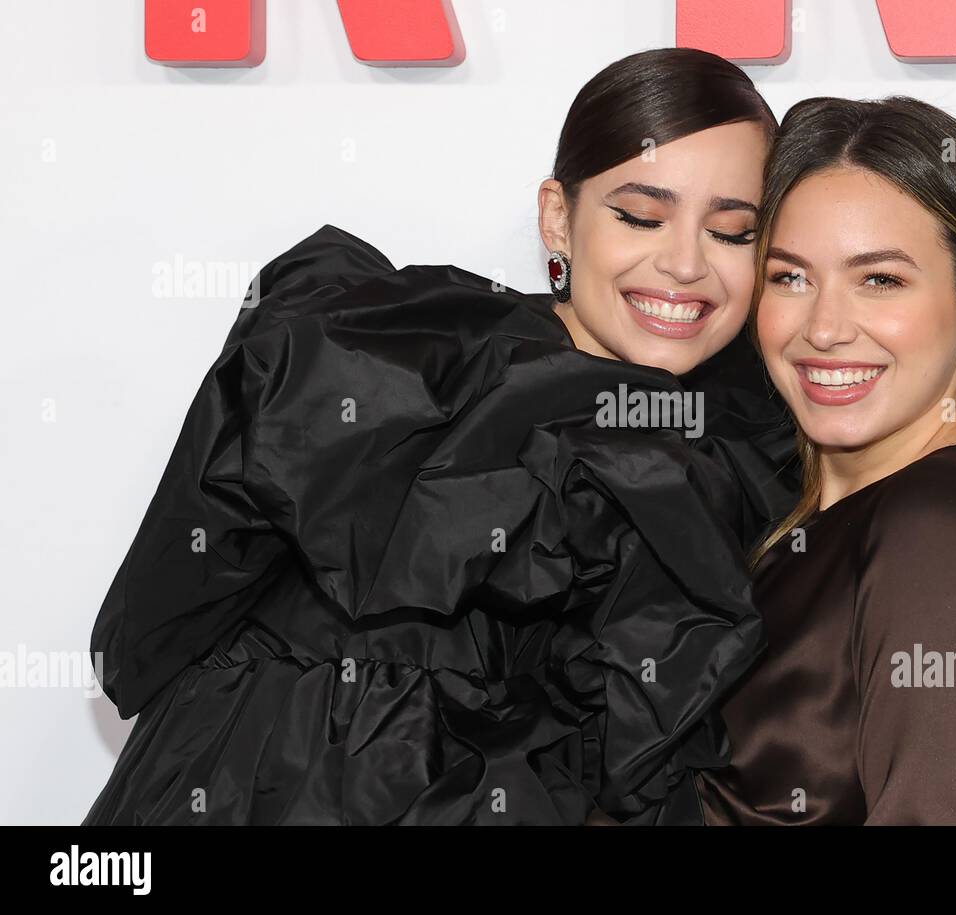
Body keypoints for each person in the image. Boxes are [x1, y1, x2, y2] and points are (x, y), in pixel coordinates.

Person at [84, 48, 798, 826]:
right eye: (639, 215)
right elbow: (171, 606)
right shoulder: (395, 365)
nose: (685, 264)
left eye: (733, 231)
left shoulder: (748, 448)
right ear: (558, 216)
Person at [695, 96, 956, 825]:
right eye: (790, 277)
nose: (823, 327)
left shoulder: (935, 529)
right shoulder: (832, 505)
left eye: (880, 279)